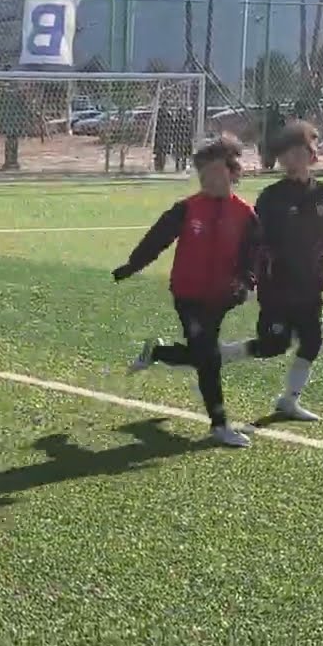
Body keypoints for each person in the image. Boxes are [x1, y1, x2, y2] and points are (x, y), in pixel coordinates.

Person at [112, 134, 258, 448]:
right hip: (188, 295)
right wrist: (132, 265)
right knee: (209, 357)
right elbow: (157, 239)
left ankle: (158, 352)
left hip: (221, 297)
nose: (207, 179)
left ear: (233, 172)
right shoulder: (187, 209)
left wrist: (248, 280)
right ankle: (220, 425)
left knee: (201, 354)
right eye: (202, 173)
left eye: (214, 172)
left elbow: (253, 255)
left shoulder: (245, 214)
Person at [217, 121, 323, 421]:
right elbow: (252, 239)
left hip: (311, 283)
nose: (290, 159)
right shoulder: (272, 197)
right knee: (273, 345)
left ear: (311, 154)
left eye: (297, 151)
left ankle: (289, 401)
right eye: (285, 154)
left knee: (312, 341)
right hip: (278, 285)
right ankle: (223, 355)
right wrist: (245, 275)